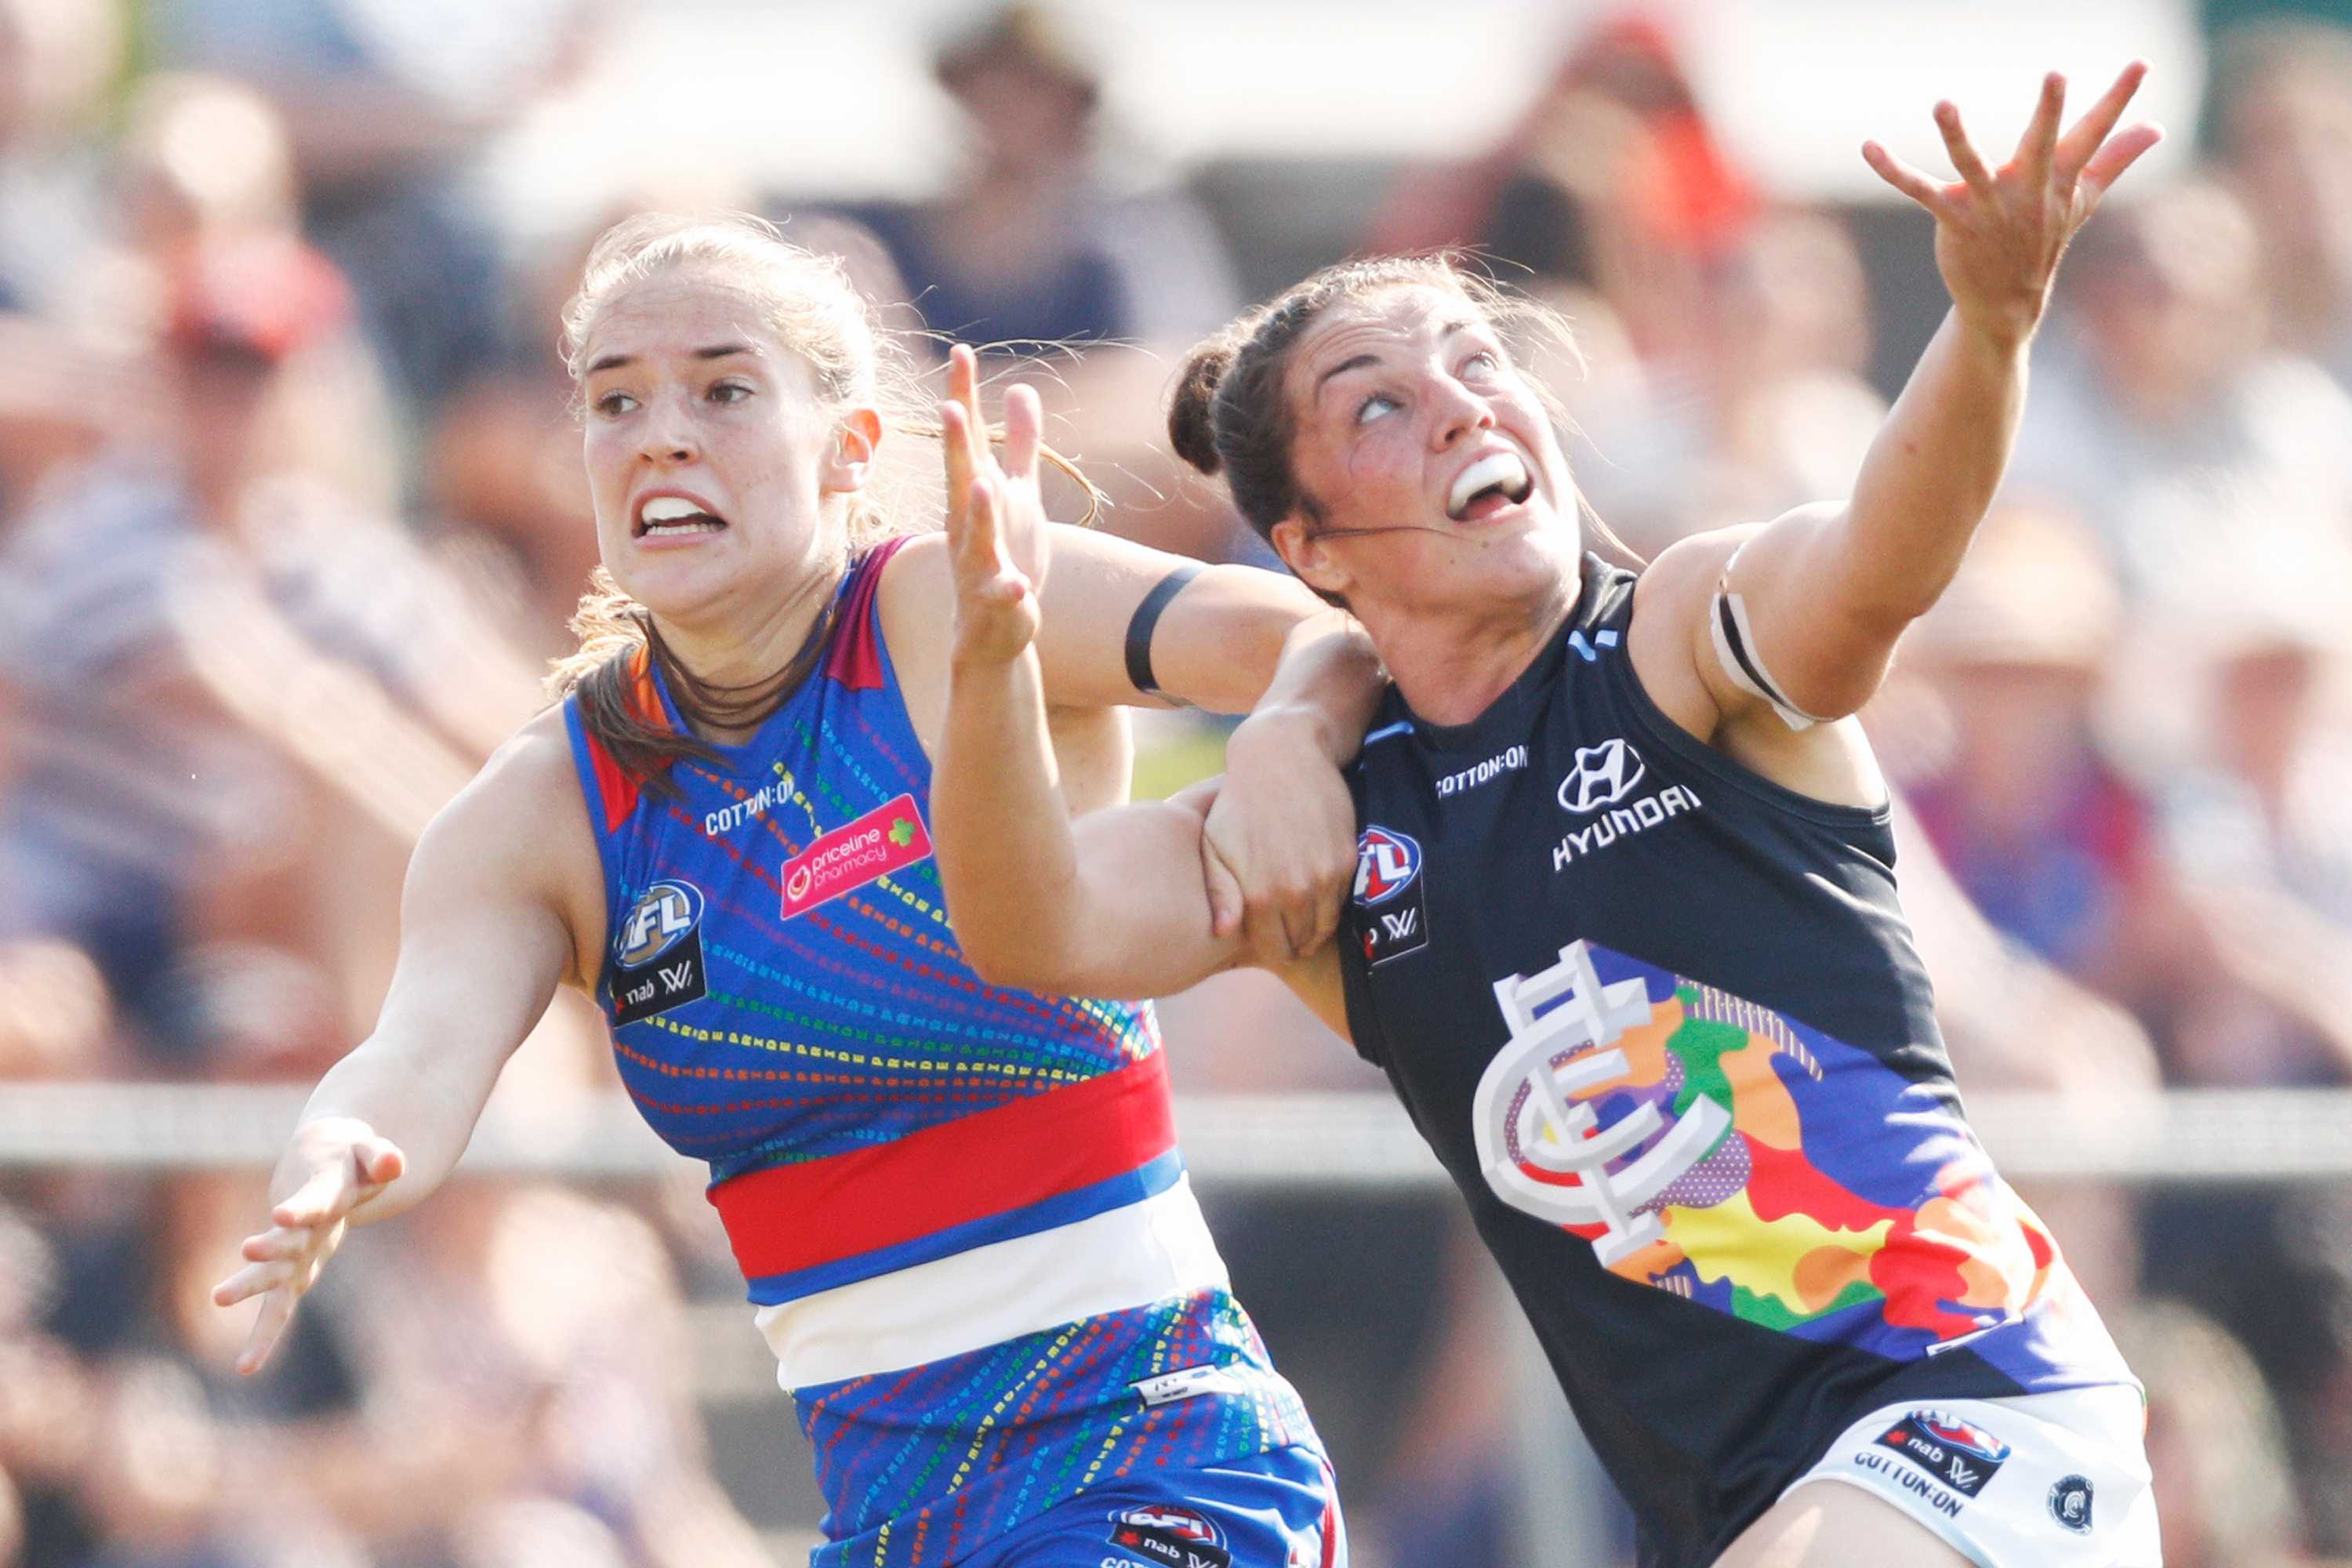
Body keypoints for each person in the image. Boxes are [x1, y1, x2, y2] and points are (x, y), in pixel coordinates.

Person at [930, 67, 2165, 1567]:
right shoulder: (1325, 823)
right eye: (1382, 404)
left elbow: (1877, 566)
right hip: (1729, 1511)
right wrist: (996, 658)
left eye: (1474, 357)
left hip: (1971, 1413)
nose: (1463, 402)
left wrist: (1985, 327)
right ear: (1311, 545)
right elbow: (1027, 921)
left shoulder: (1678, 638)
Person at [212, 212, 1381, 1567]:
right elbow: (413, 1052)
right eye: (615, 401)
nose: (659, 434)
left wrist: (1291, 740)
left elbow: (1315, 641)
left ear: (850, 449)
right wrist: (340, 1145)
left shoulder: (954, 606)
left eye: (723, 388)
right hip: (892, 1534)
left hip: (1162, 1465)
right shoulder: (540, 811)